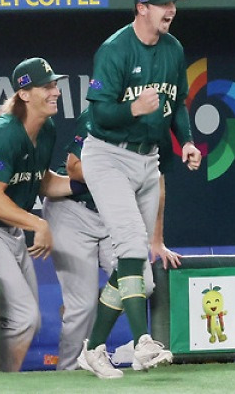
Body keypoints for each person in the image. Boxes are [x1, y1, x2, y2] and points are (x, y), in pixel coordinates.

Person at [77, 0, 202, 379]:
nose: (171, 9)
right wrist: (132, 108)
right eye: (164, 3)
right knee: (131, 245)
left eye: (174, 3)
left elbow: (177, 104)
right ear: (142, 7)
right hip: (108, 155)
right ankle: (143, 341)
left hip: (149, 159)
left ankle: (93, 349)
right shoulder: (115, 49)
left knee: (132, 264)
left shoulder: (173, 48)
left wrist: (186, 141)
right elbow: (98, 113)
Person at [0, 57, 73, 372]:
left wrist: (84, 184)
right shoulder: (4, 132)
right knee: (23, 318)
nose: (55, 91)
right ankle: (1, 384)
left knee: (27, 321)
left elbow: (42, 181)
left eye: (55, 85)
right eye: (46, 86)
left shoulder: (46, 129)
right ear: (24, 93)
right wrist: (38, 223)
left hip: (10, 231)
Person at [47, 108, 182, 371]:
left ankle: (94, 349)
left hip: (116, 215)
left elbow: (156, 180)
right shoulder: (99, 113)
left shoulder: (154, 119)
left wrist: (156, 240)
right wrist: (116, 172)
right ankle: (68, 371)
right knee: (82, 306)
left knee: (145, 284)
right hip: (74, 211)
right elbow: (74, 167)